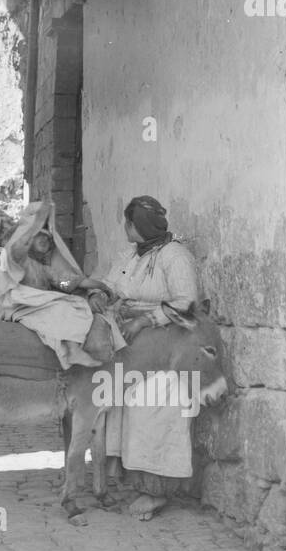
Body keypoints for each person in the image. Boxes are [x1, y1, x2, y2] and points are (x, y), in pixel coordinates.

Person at [86, 195, 202, 521]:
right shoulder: (129, 255)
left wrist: (146, 320)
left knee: (148, 405)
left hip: (168, 343)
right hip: (131, 343)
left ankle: (154, 490)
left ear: (138, 225)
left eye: (128, 222)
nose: (125, 227)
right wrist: (98, 294)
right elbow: (110, 284)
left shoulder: (175, 257)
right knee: (112, 397)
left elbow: (187, 304)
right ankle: (126, 476)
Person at [0, 200, 118, 368]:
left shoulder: (44, 269)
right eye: (40, 236)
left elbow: (67, 282)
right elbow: (16, 249)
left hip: (42, 305)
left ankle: (73, 350)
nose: (45, 239)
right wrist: (34, 224)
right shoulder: (20, 261)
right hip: (23, 307)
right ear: (30, 238)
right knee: (61, 308)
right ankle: (73, 351)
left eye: (48, 237)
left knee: (75, 306)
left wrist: (102, 286)